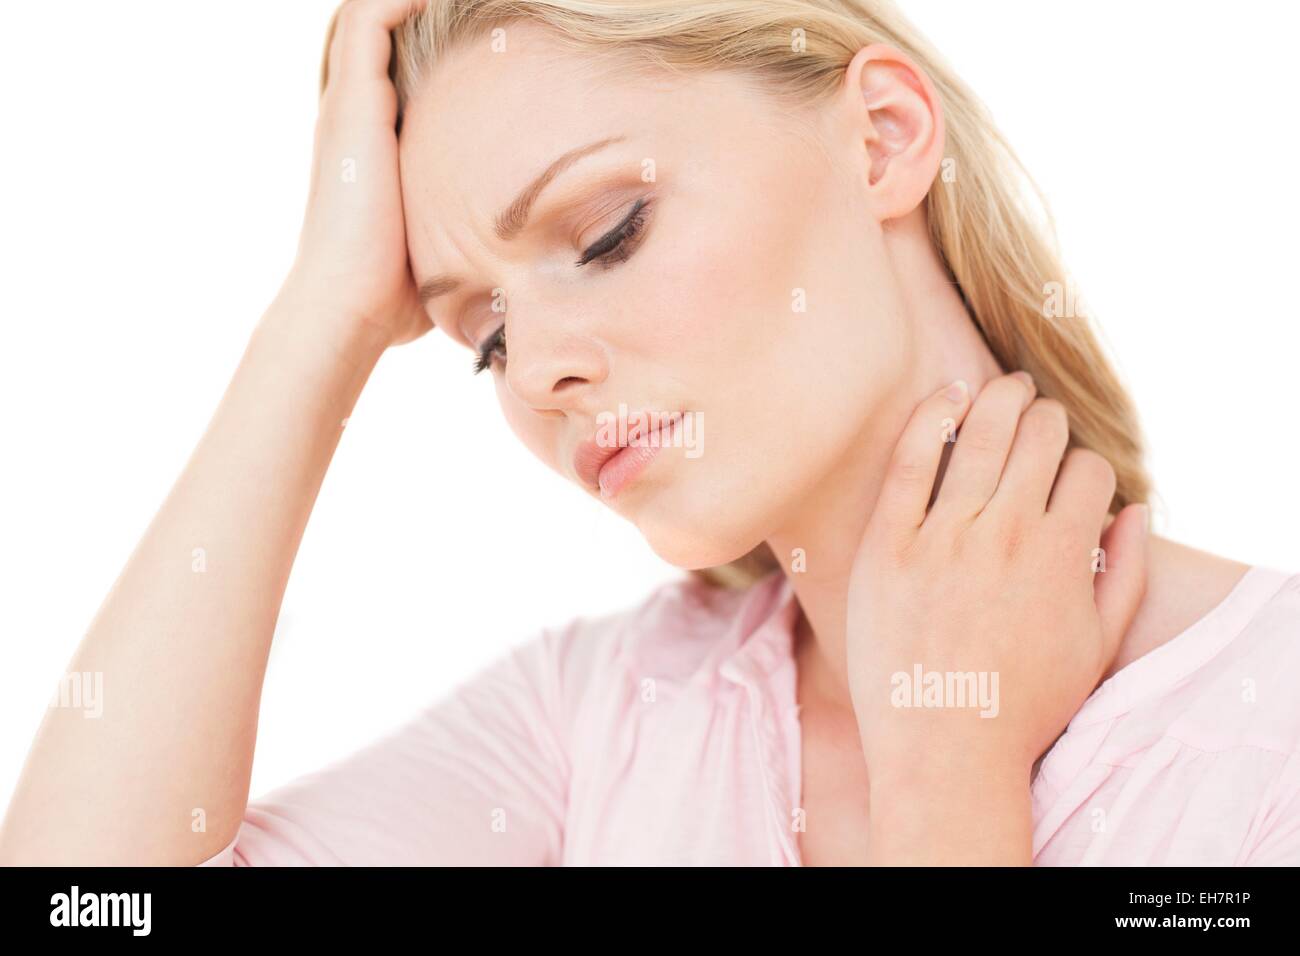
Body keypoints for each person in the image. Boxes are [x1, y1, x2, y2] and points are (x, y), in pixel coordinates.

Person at [2, 0, 1297, 866]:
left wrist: (943, 770)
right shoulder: (594, 723)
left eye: (607, 231)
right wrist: (319, 319)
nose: (543, 373)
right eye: (487, 340)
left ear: (886, 138)